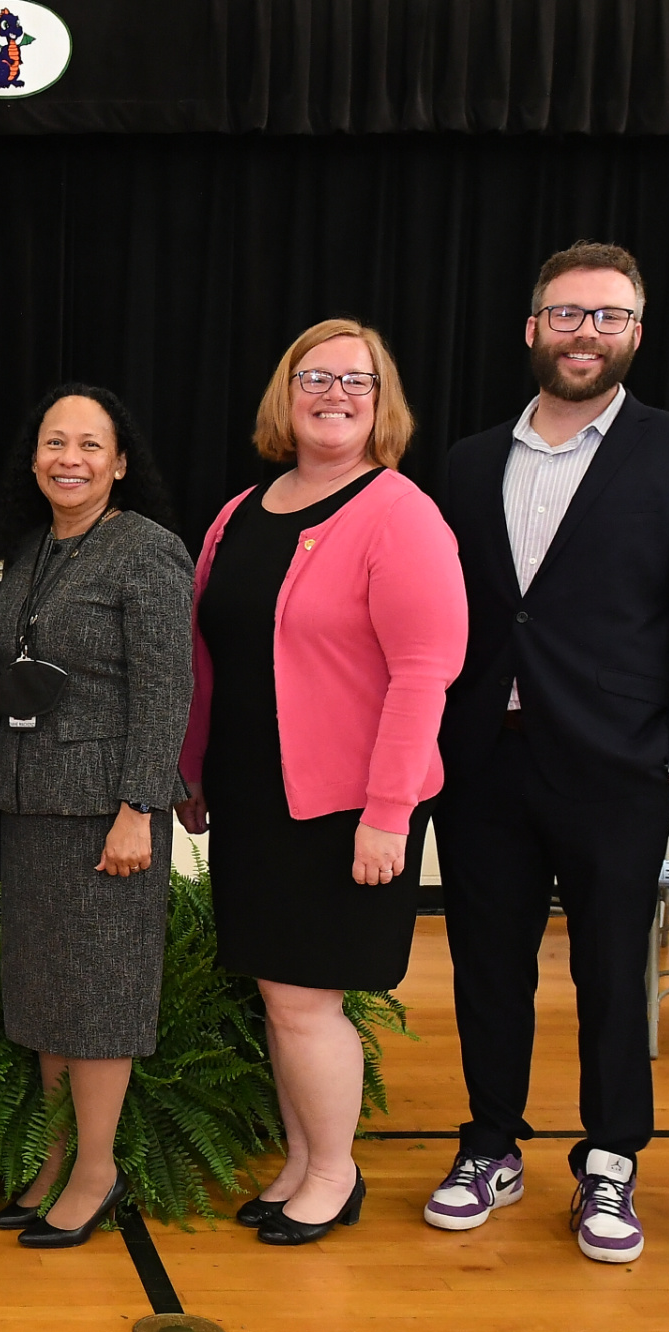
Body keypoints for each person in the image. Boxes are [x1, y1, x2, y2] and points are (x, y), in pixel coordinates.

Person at [428, 242, 669, 1263]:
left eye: (609, 316)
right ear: (533, 328)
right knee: (487, 967)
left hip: (619, 768)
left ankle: (611, 1159)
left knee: (613, 975)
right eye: (567, 313)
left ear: (636, 335)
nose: (586, 333)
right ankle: (491, 1144)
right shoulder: (469, 460)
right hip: (484, 759)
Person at [178, 320, 468, 1246]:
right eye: (315, 376)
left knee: (308, 1000)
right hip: (255, 795)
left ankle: (336, 1174)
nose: (334, 393)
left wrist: (389, 814)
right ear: (285, 394)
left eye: (357, 379)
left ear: (382, 403)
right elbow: (209, 656)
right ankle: (304, 1162)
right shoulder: (240, 511)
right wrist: (191, 768)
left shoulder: (400, 513)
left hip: (347, 807)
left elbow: (425, 673)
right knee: (281, 995)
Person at [0, 384, 191, 1250]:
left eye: (90, 445)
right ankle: (58, 1154)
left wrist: (139, 807)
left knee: (101, 998)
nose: (69, 459)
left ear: (120, 462)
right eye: (54, 443)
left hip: (110, 814)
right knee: (46, 994)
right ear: (34, 459)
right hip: (31, 804)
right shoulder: (31, 549)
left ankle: (97, 1171)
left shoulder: (147, 550)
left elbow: (167, 688)